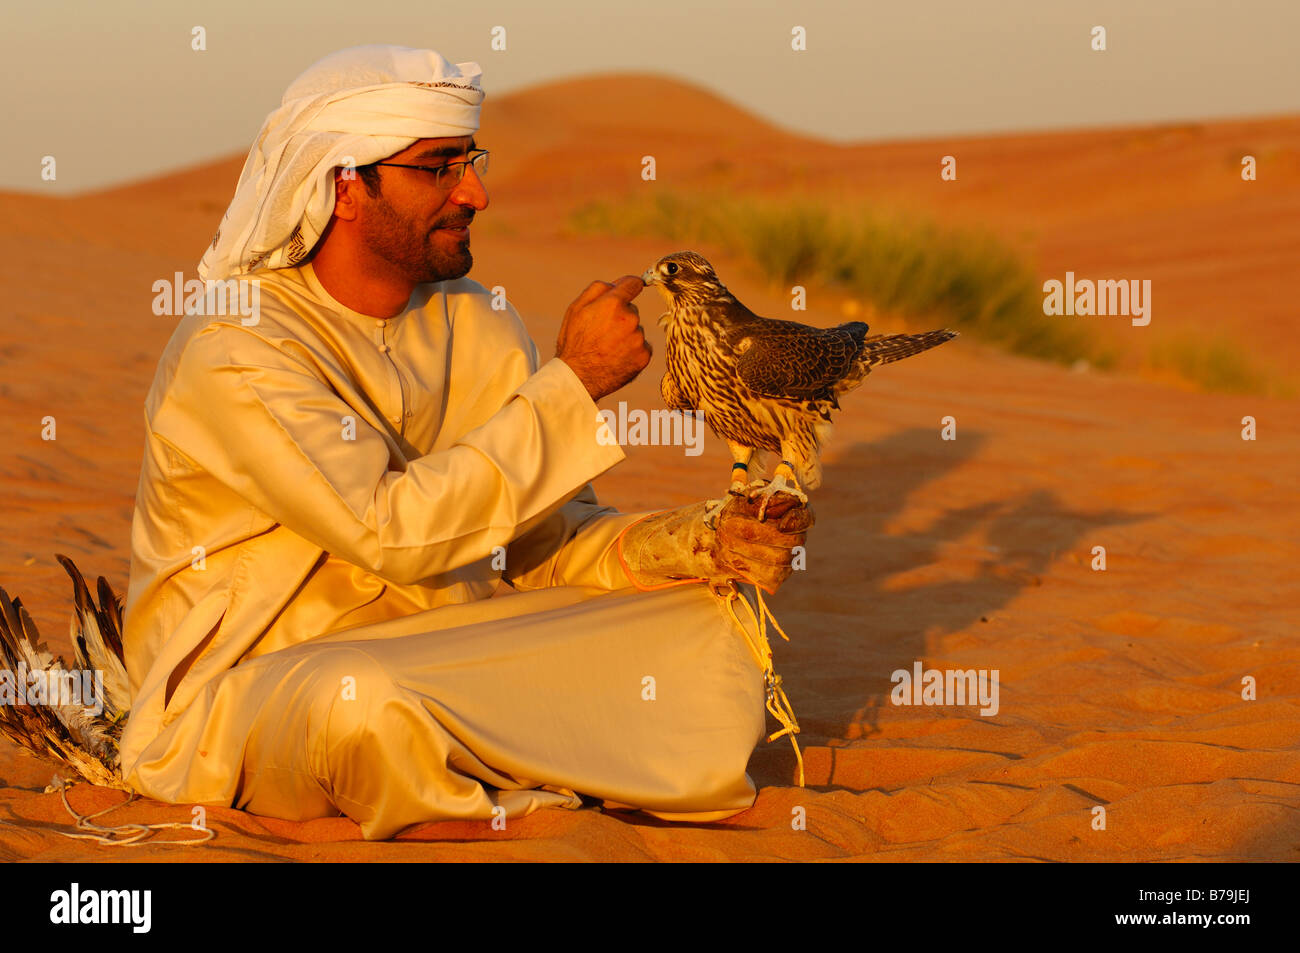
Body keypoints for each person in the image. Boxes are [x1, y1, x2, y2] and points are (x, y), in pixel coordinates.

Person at [118, 45, 812, 839]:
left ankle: (489, 758)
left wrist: (701, 540)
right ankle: (516, 783)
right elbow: (390, 531)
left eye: (470, 162)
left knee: (705, 625)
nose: (474, 193)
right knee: (359, 700)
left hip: (446, 651)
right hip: (259, 684)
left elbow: (540, 542)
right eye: (437, 168)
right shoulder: (238, 345)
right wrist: (573, 383)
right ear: (345, 186)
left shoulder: (479, 321)